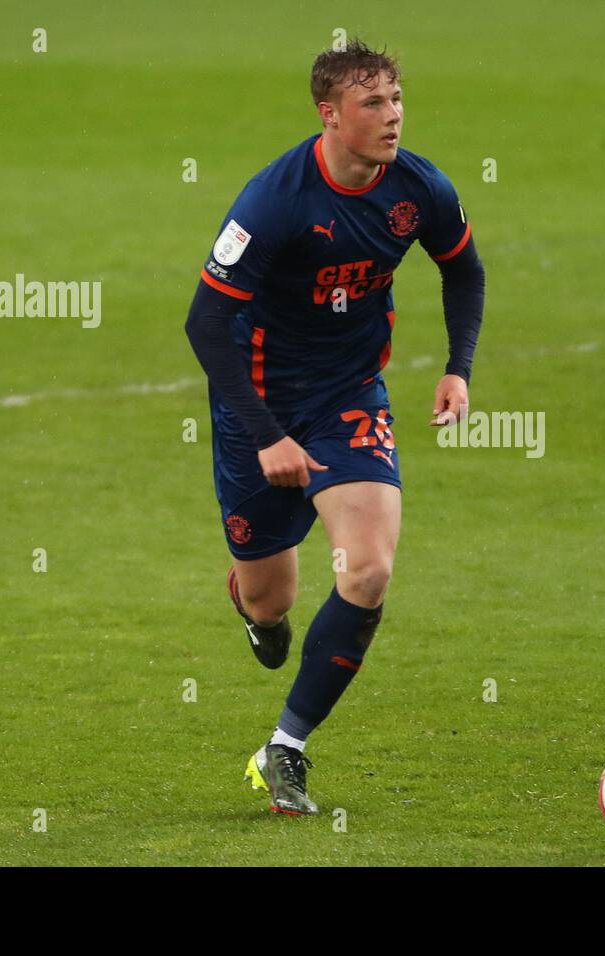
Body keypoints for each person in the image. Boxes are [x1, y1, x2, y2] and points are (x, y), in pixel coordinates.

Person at [184, 38, 485, 815]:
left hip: (349, 397)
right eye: (372, 105)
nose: (392, 118)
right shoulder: (274, 200)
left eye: (396, 99)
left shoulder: (419, 188)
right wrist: (265, 434)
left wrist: (458, 367)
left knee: (368, 572)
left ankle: (284, 749)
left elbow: (463, 267)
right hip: (260, 406)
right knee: (272, 599)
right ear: (330, 115)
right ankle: (251, 607)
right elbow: (206, 321)